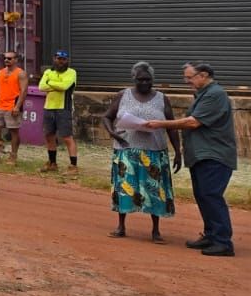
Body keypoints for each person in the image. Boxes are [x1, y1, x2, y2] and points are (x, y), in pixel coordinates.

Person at [145, 62, 239, 257]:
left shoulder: (215, 94)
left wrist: (160, 124)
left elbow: (193, 122)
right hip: (202, 155)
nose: (186, 81)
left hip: (214, 155)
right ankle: (211, 235)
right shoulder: (204, 95)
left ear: (203, 75)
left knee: (211, 196)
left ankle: (223, 241)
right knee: (203, 196)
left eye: (189, 77)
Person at [100, 62, 181, 244]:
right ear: (134, 79)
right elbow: (107, 116)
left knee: (154, 190)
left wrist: (178, 150)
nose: (144, 83)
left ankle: (156, 230)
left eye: (148, 80)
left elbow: (172, 126)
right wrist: (112, 133)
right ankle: (121, 226)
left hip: (154, 152)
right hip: (126, 150)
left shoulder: (162, 98)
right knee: (124, 188)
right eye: (140, 80)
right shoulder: (123, 95)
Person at [39, 50, 79, 174]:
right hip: (48, 107)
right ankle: (52, 163)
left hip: (64, 108)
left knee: (67, 137)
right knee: (49, 136)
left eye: (63, 59)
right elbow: (41, 87)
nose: (60, 61)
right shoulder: (48, 71)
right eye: (58, 58)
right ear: (54, 59)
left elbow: (64, 87)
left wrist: (49, 83)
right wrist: (57, 85)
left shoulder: (71, 72)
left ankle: (73, 166)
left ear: (67, 60)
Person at [0, 52, 28, 163]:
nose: (6, 60)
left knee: (13, 131)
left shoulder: (21, 73)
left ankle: (13, 155)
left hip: (13, 106)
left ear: (16, 60)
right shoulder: (0, 73)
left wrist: (17, 106)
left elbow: (24, 91)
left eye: (9, 58)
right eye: (5, 58)